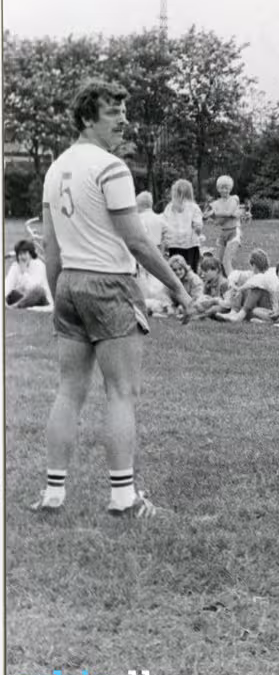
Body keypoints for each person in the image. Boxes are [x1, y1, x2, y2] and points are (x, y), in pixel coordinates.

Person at [30, 79, 193, 518]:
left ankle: (53, 493)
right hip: (108, 283)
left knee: (69, 390)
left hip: (69, 284)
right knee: (121, 392)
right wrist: (178, 289)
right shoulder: (111, 168)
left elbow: (51, 247)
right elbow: (137, 242)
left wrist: (57, 298)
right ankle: (123, 497)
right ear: (87, 118)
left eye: (124, 110)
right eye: (112, 112)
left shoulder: (55, 168)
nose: (123, 120)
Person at [161, 178, 203, 272]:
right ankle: (191, 286)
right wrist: (198, 231)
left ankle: (178, 286)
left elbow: (164, 224)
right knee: (190, 270)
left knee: (176, 269)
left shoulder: (169, 207)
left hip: (174, 244)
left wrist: (165, 241)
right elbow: (198, 226)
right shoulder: (193, 207)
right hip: (190, 244)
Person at [206, 174, 242, 274]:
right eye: (222, 188)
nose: (224, 190)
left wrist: (214, 214)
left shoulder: (234, 198)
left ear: (230, 188)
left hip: (233, 232)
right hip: (223, 233)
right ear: (218, 188)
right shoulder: (216, 203)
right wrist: (213, 217)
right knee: (218, 261)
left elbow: (228, 212)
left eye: (227, 188)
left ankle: (232, 283)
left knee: (227, 261)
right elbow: (218, 221)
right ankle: (220, 282)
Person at [5, 239, 52, 309]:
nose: (22, 257)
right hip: (23, 297)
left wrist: (24, 272)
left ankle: (16, 306)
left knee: (39, 290)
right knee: (12, 294)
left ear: (30, 254)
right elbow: (7, 285)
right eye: (20, 254)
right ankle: (17, 305)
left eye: (24, 253)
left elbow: (32, 287)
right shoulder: (15, 266)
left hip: (40, 298)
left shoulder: (39, 265)